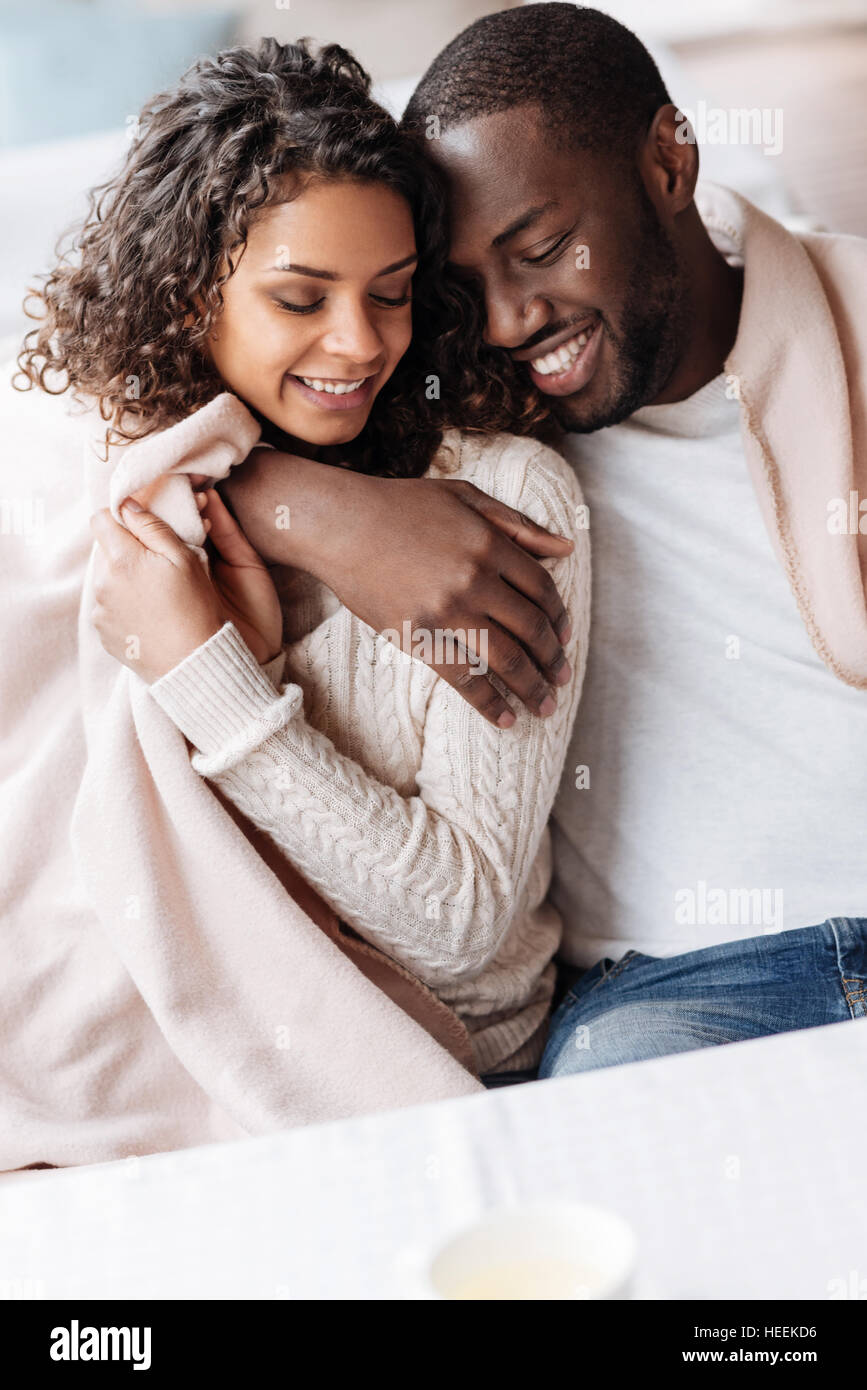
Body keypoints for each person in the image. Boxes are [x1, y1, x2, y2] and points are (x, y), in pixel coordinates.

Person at [227, 4, 867, 1081]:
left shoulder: (848, 320)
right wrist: (311, 506)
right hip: (675, 983)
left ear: (670, 161)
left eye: (544, 249)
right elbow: (117, 430)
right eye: (466, 288)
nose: (514, 319)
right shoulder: (460, 410)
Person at [19, 37, 590, 1084]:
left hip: (439, 1043)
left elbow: (464, 930)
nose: (361, 345)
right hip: (176, 1041)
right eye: (300, 298)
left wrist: (220, 689)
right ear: (191, 292)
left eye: (391, 291)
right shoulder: (102, 477)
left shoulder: (508, 505)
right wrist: (297, 509)